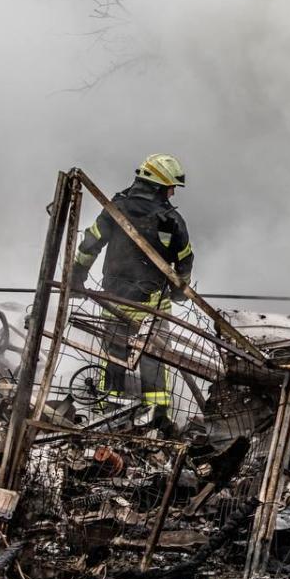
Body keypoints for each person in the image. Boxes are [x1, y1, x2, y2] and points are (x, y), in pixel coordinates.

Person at [71, 154, 194, 414]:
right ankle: (158, 418)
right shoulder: (171, 221)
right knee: (155, 361)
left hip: (114, 300)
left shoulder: (116, 208)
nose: (172, 194)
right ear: (159, 185)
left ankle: (108, 413)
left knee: (114, 359)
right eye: (171, 188)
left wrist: (77, 277)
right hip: (153, 308)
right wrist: (179, 291)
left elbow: (90, 245)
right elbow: (184, 260)